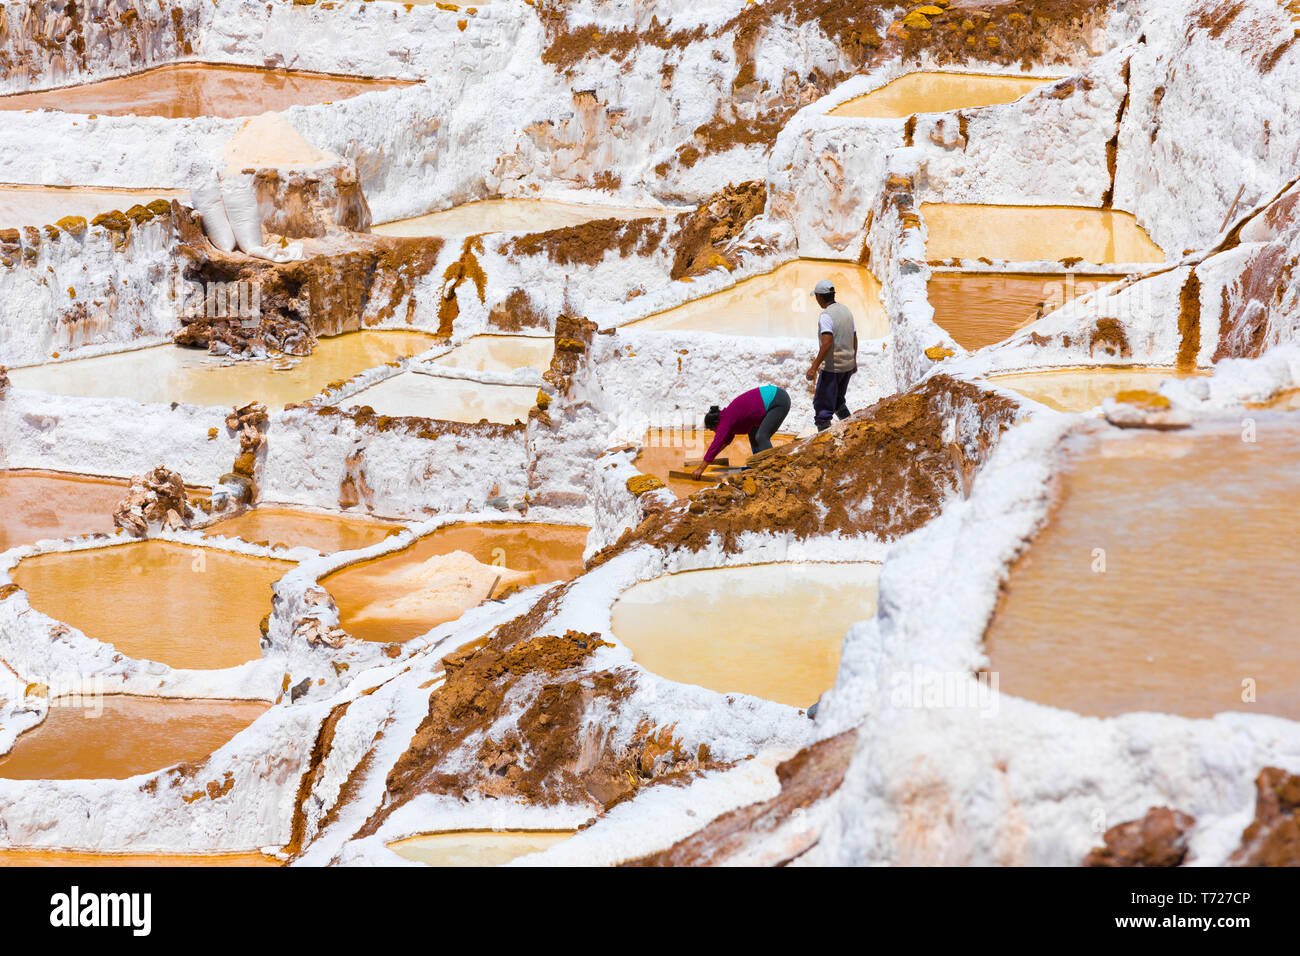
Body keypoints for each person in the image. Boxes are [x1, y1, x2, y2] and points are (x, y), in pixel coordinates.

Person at [690, 386, 791, 479]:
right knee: (753, 432)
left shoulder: (725, 420)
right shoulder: (729, 418)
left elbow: (716, 445)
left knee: (761, 436)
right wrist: (709, 461)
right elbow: (723, 442)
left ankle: (773, 469)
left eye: (713, 429)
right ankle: (759, 463)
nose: (715, 432)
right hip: (776, 397)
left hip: (777, 400)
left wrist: (701, 469)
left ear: (716, 423)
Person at [805, 278, 857, 431]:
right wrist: (853, 360)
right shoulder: (846, 311)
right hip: (847, 366)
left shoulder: (826, 316)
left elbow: (827, 343)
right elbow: (854, 337)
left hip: (832, 369)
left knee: (822, 407)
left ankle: (824, 441)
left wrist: (814, 367)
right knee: (838, 402)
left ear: (819, 297)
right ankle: (851, 429)